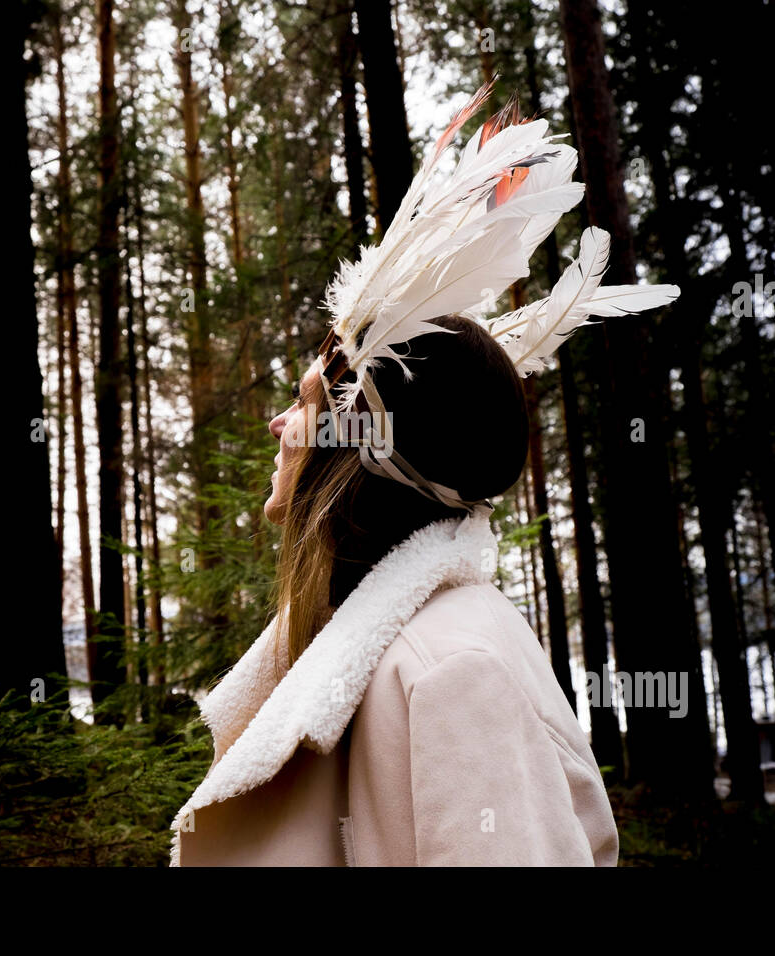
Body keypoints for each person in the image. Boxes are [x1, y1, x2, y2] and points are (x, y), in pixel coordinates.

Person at [169, 78, 675, 865]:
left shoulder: (455, 670)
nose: (277, 423)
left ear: (363, 453)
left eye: (303, 402)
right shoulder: (384, 649)